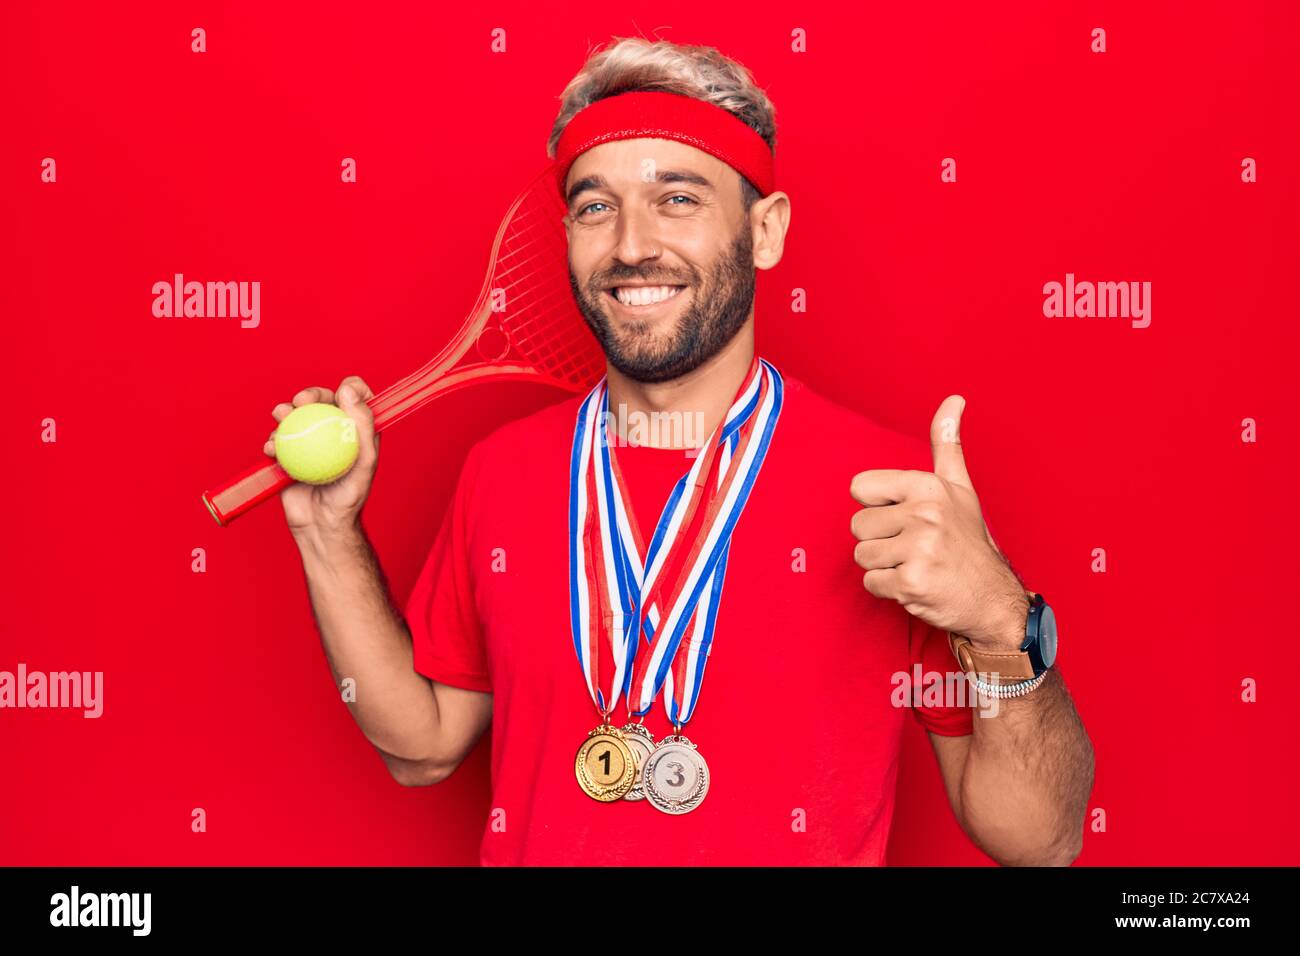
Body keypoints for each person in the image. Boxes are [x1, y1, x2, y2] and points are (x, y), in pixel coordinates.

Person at [266, 37, 1094, 866]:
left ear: (765, 231)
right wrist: (327, 531)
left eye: (678, 198)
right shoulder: (500, 471)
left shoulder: (893, 497)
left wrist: (999, 618)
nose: (631, 246)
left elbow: (1040, 844)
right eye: (596, 207)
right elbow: (423, 744)